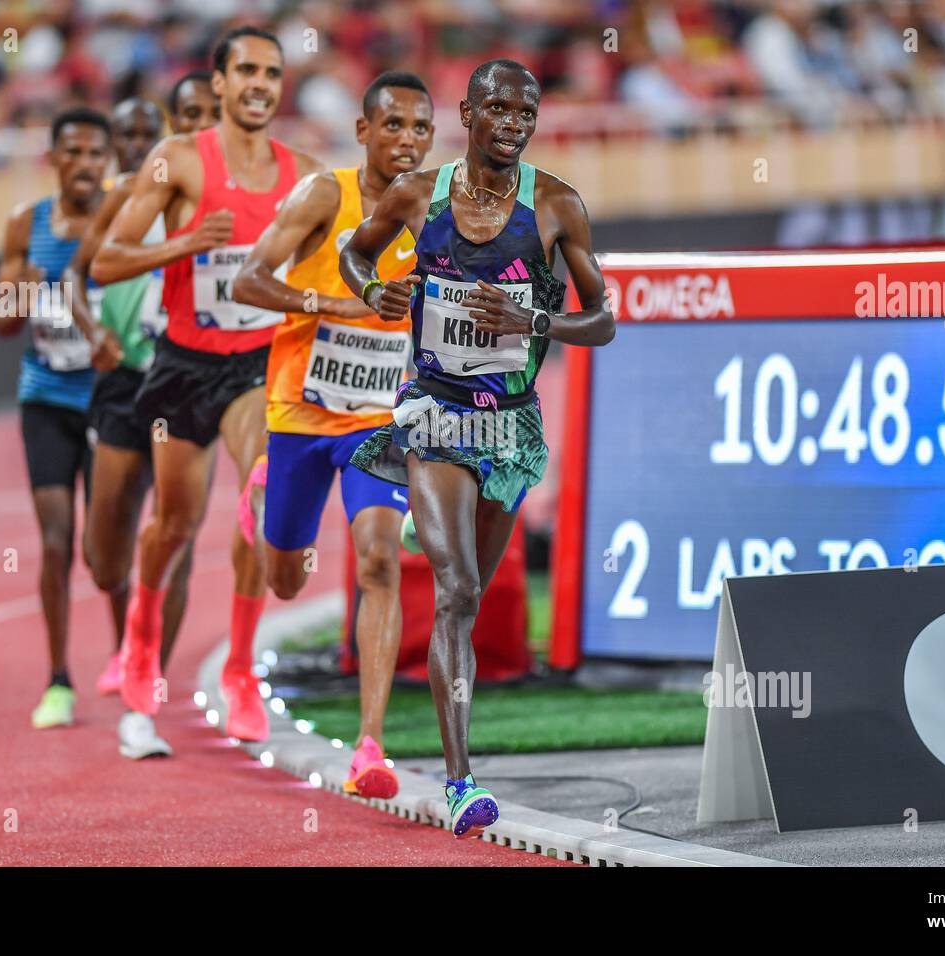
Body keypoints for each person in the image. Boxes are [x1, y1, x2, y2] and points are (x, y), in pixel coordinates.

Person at [339, 59, 615, 836]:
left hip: (511, 425)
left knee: (473, 594)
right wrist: (373, 291)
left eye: (527, 112)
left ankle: (456, 751)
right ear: (467, 111)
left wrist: (530, 324)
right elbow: (356, 254)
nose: (513, 123)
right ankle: (461, 783)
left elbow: (603, 321)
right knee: (456, 590)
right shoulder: (415, 194)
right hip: (435, 412)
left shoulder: (557, 205)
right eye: (497, 109)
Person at [92, 27, 323, 741]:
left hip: (260, 366)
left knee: (260, 484)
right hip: (183, 365)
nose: (260, 82)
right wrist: (184, 243)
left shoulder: (307, 176)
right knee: (173, 525)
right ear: (218, 84)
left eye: (272, 72)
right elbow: (106, 260)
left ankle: (240, 668)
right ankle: (139, 633)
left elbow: (337, 267)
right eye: (246, 70)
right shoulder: (179, 161)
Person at [231, 71, 434, 796]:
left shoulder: (437, 214)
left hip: (381, 422)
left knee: (380, 561)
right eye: (393, 126)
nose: (406, 141)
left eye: (420, 128)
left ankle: (369, 747)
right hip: (299, 418)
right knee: (285, 580)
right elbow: (247, 280)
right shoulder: (325, 195)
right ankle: (261, 506)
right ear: (363, 132)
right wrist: (333, 303)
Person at [62, 83, 217, 759]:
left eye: (138, 134)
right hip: (122, 384)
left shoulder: (219, 195)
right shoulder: (128, 197)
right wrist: (91, 328)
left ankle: (144, 689)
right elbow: (77, 275)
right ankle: (130, 636)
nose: (129, 148)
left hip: (184, 376)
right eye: (120, 138)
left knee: (175, 536)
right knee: (102, 555)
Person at [0, 107, 112, 729]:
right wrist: (21, 286)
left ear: (108, 161)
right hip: (46, 396)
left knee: (104, 550)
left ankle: (125, 665)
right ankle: (59, 678)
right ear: (55, 158)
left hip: (110, 398)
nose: (85, 164)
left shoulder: (123, 216)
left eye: (97, 153)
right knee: (58, 540)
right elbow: (2, 324)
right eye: (74, 152)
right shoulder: (26, 224)